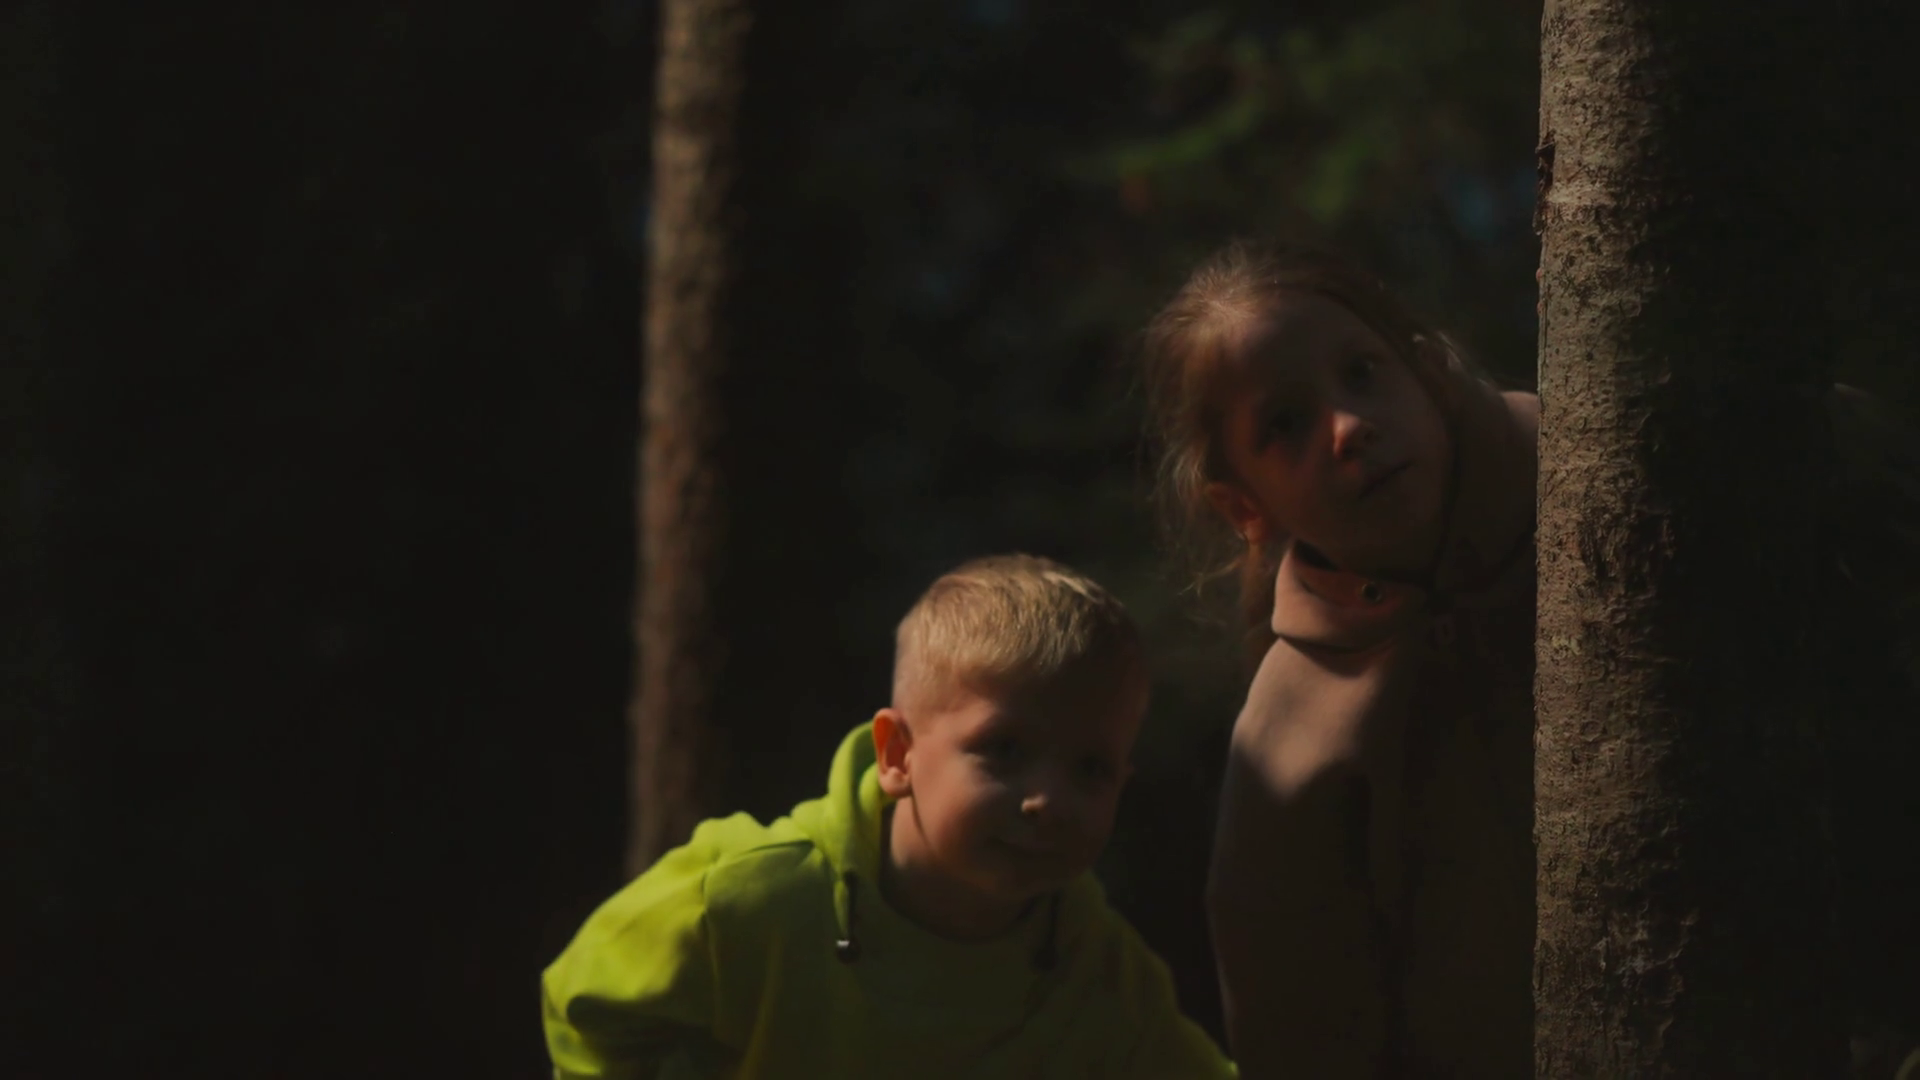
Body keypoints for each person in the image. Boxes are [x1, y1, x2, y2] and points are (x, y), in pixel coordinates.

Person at [1141, 238, 1920, 1078]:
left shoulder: (1623, 470)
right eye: (1285, 424)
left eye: (1362, 373)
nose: (1349, 427)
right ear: (1244, 506)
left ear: (1423, 370)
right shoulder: (1292, 746)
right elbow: (1302, 1030)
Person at [542, 554, 1237, 1079]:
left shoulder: (1098, 965)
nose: (1048, 800)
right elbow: (586, 1003)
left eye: (1090, 768)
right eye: (1004, 749)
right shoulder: (752, 897)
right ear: (897, 752)